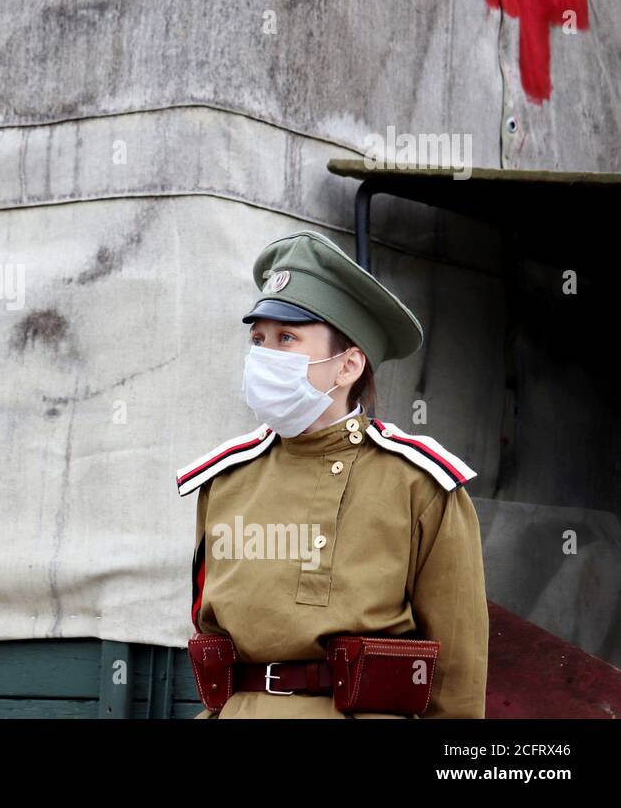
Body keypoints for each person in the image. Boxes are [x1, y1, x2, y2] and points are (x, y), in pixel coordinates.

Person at [176, 230, 488, 718]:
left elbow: (458, 673)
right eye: (258, 339)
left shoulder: (419, 483)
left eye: (287, 338)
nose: (264, 355)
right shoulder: (225, 479)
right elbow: (208, 632)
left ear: (347, 365)